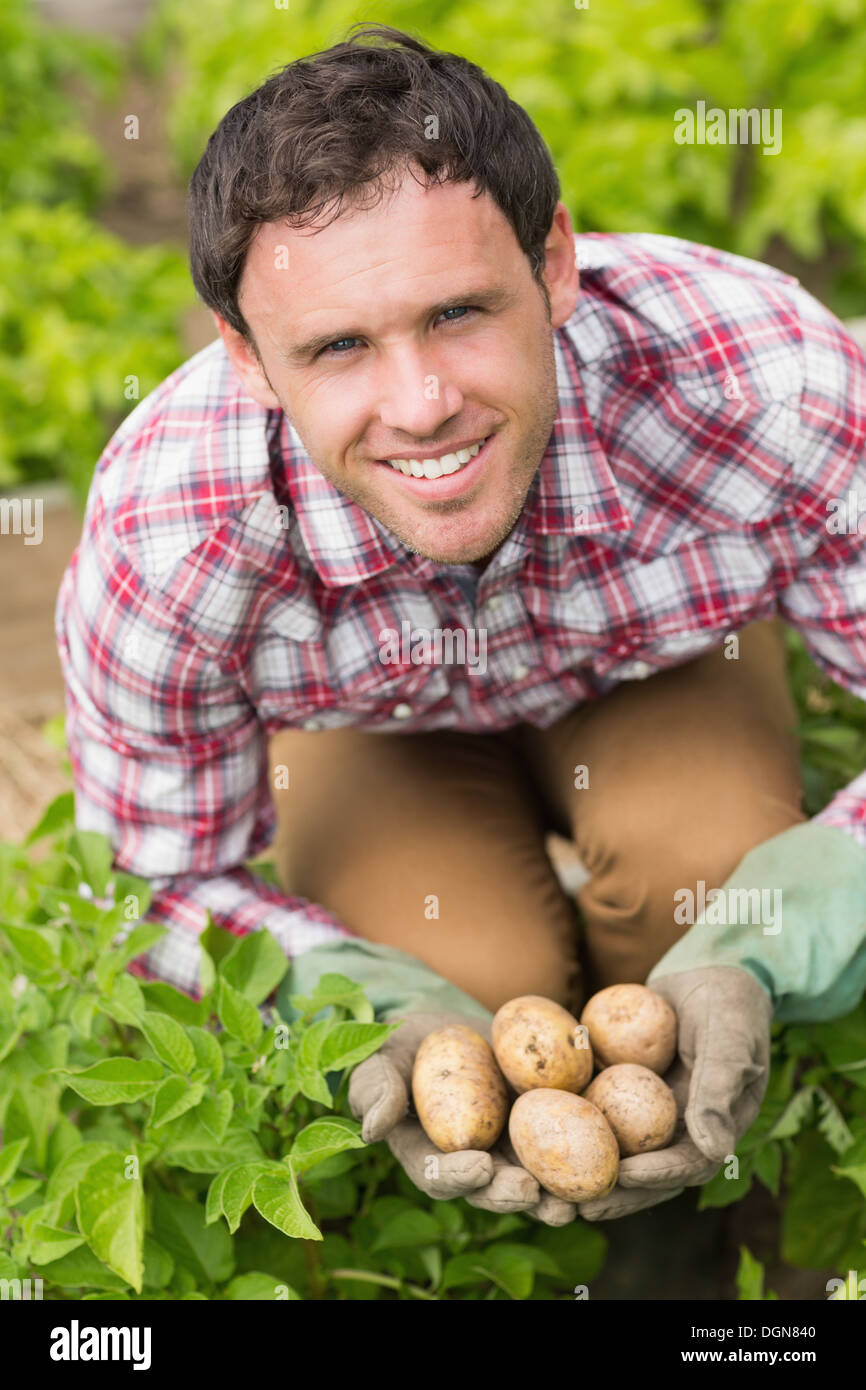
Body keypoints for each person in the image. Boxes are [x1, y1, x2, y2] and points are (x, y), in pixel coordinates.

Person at [55, 25, 866, 1224]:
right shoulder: (169, 532)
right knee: (480, 996)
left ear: (553, 264)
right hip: (378, 733)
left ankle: (702, 1217)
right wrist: (360, 1003)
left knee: (703, 899)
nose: (421, 406)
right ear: (246, 357)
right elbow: (150, 880)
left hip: (656, 672)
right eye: (337, 346)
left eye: (456, 313)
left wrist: (773, 944)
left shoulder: (764, 375)